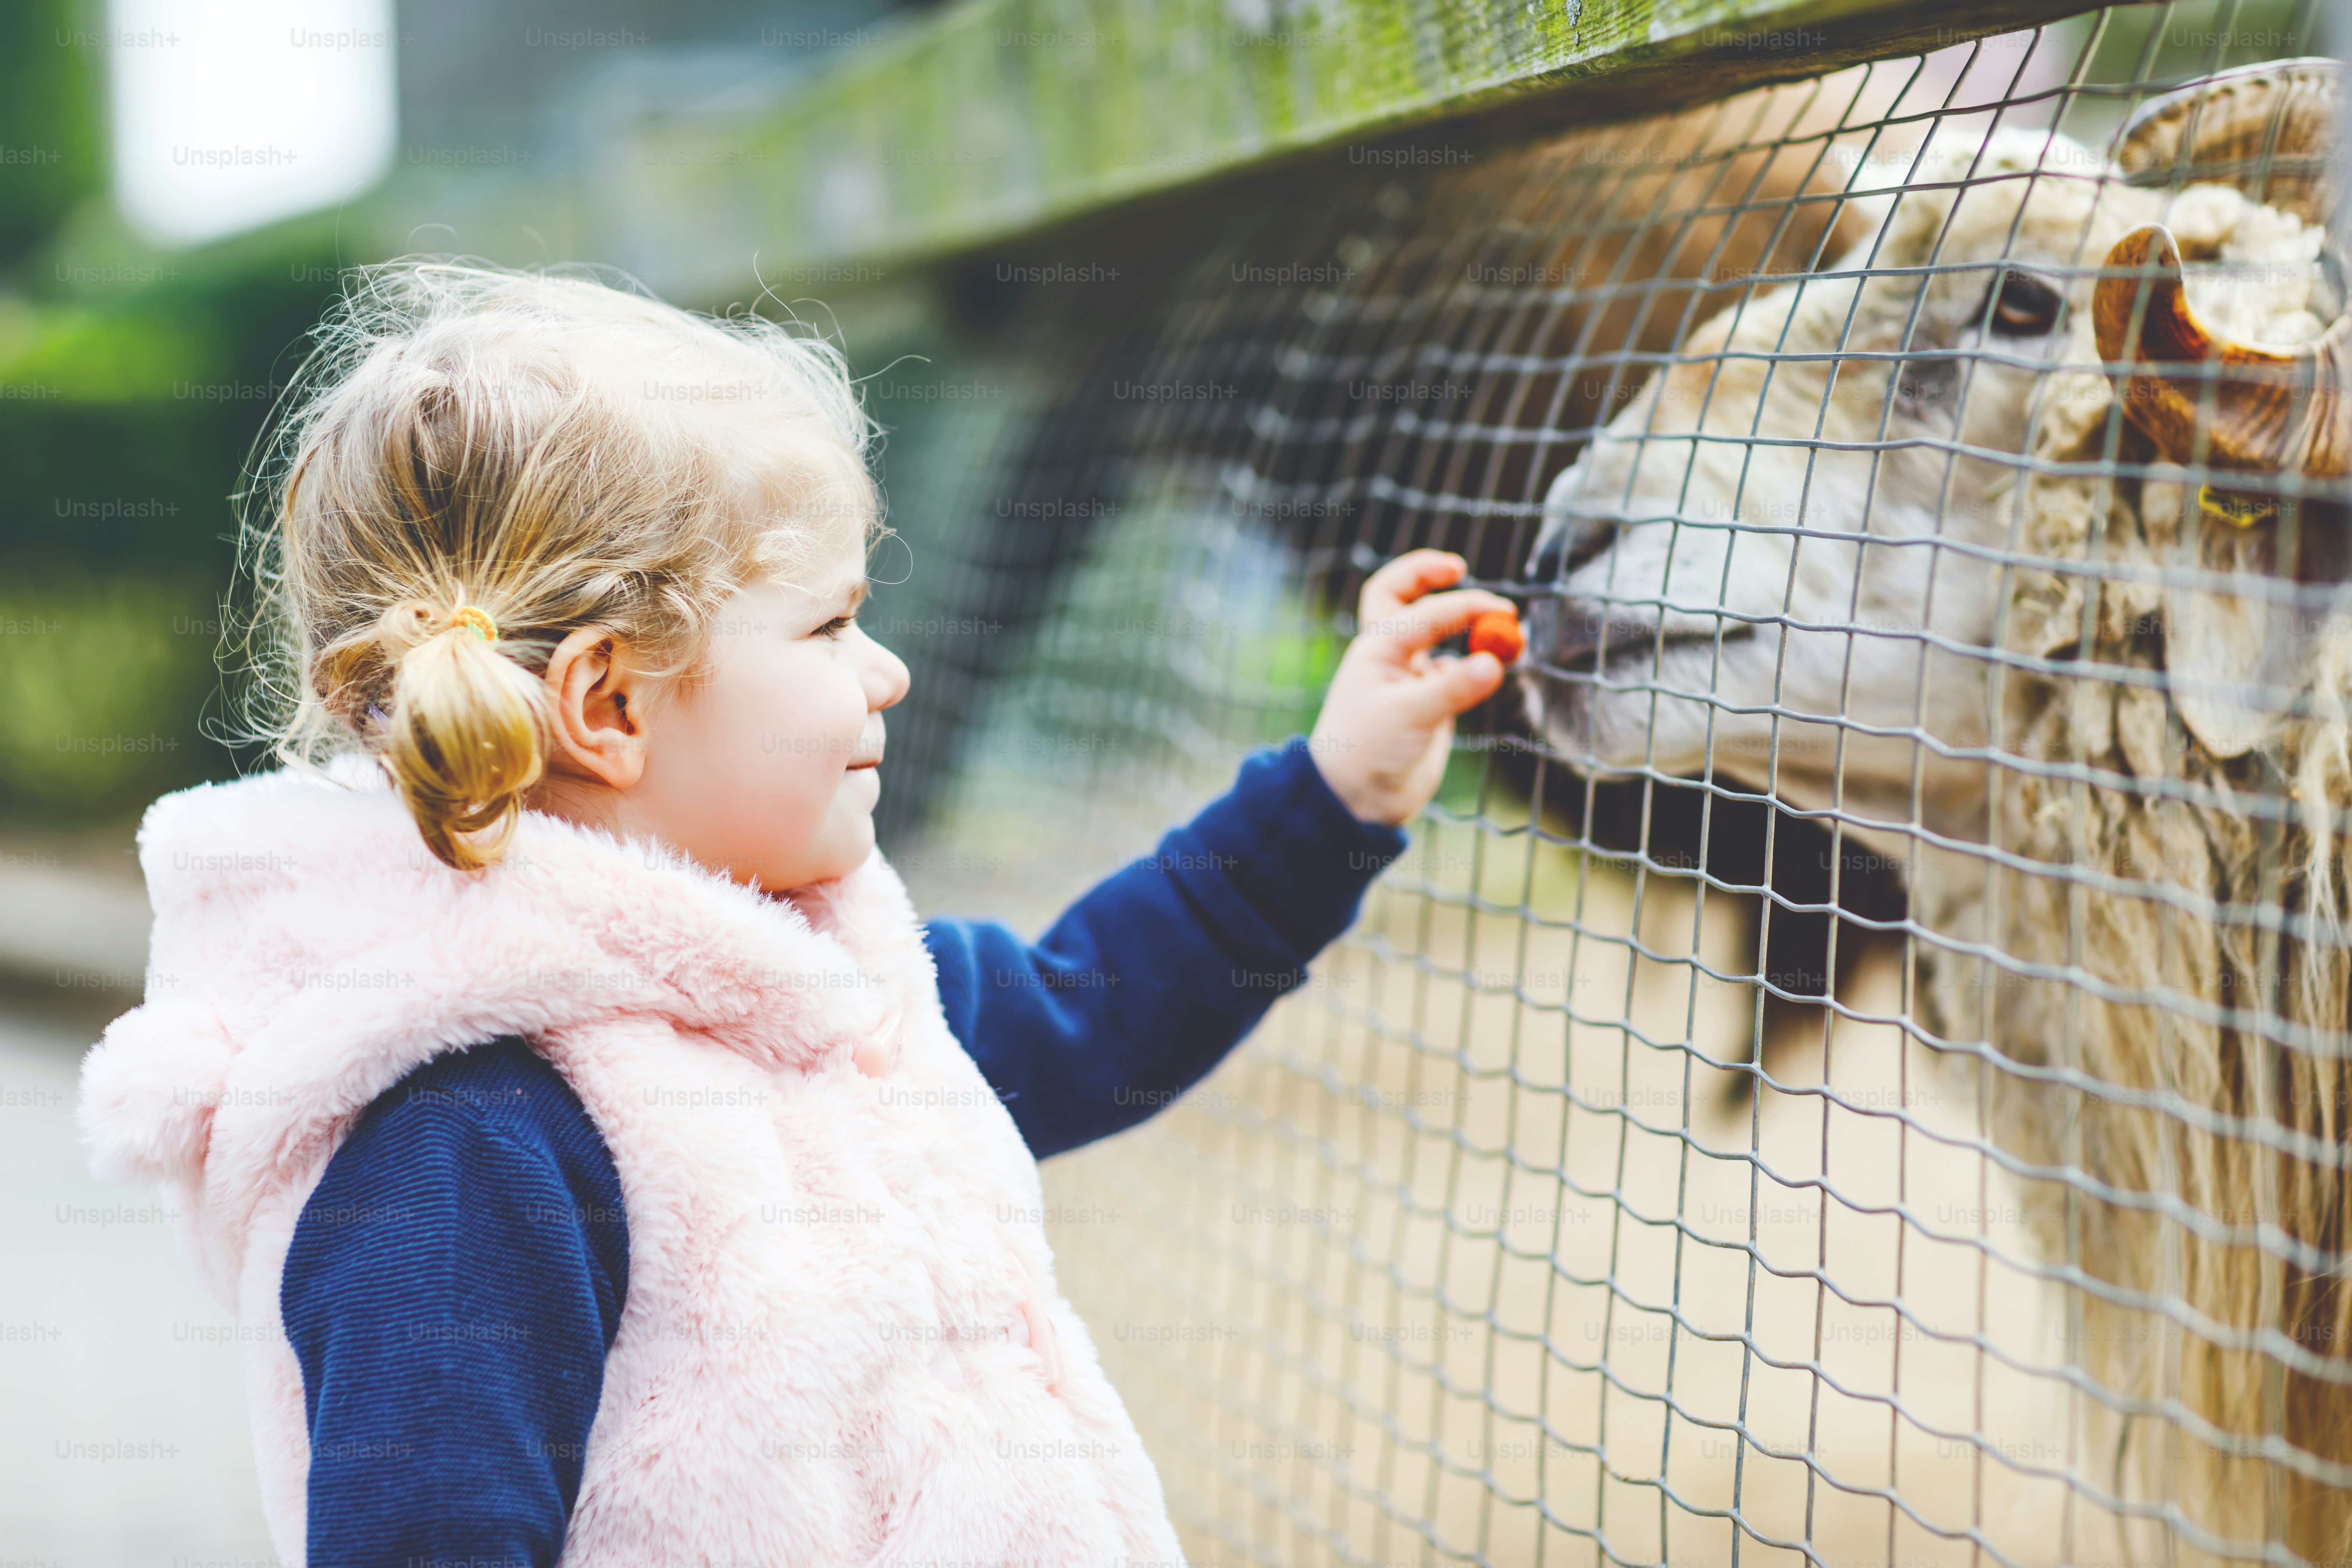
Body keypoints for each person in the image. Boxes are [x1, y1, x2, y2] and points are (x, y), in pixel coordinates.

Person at [77, 262, 1516, 1566]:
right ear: (607, 704)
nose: (885, 671)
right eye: (829, 627)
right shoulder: (468, 1141)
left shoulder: (836, 986)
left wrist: (1337, 791)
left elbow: (1100, 1002)